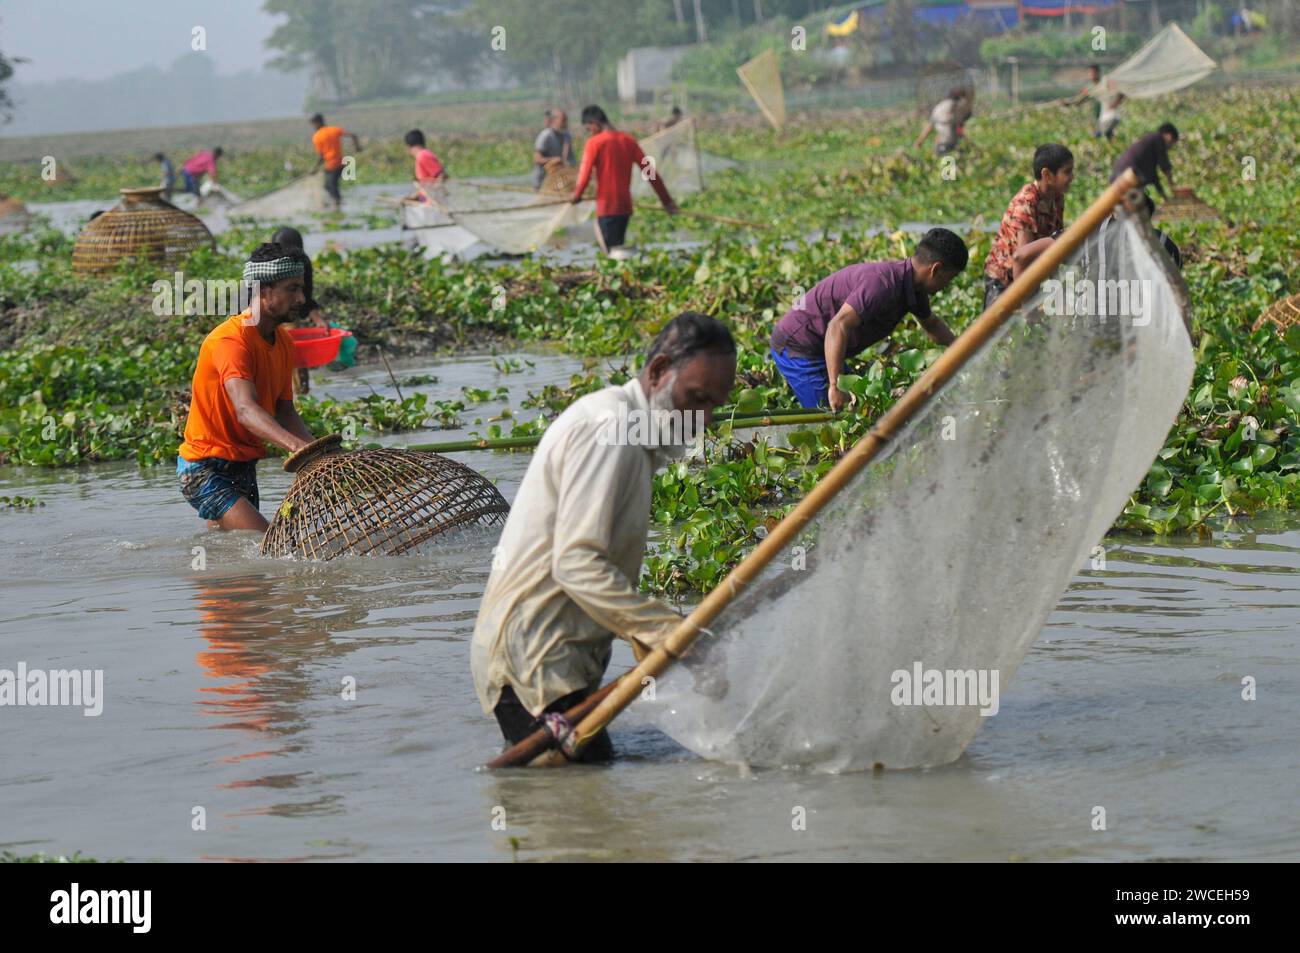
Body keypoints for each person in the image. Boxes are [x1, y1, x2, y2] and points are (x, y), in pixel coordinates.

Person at [472, 312, 736, 761]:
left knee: (579, 801)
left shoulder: (633, 434)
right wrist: (673, 633)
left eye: (714, 404)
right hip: (533, 663)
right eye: (696, 399)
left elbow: (602, 569)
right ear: (657, 372)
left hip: (558, 662)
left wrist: (663, 645)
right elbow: (577, 563)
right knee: (576, 796)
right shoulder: (609, 430)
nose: (704, 419)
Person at [177, 243, 316, 531]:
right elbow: (245, 409)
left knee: (231, 553)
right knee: (265, 542)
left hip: (243, 467)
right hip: (204, 468)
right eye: (292, 289)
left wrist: (316, 453)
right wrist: (297, 448)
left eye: (301, 288)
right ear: (264, 291)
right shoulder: (232, 340)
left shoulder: (284, 342)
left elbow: (284, 410)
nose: (301, 298)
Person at [770, 228, 968, 412]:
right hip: (799, 346)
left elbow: (932, 325)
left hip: (822, 346)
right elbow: (838, 326)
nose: (947, 286)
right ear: (935, 269)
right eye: (949, 279)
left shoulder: (914, 290)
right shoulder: (882, 284)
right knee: (831, 416)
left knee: (858, 407)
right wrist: (835, 386)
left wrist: (968, 352)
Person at [570, 104, 678, 251]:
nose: (590, 133)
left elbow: (584, 174)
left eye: (589, 129)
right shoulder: (628, 141)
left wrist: (577, 195)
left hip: (607, 207)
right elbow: (650, 173)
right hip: (624, 207)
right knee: (617, 248)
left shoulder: (594, 143)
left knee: (610, 253)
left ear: (594, 125)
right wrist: (667, 201)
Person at [983, 143, 1075, 309]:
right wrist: (1028, 309)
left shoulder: (1057, 198)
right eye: (1067, 172)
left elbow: (1053, 247)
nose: (1072, 177)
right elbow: (1021, 258)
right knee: (999, 331)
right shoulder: (1025, 203)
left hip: (1030, 276)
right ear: (1047, 174)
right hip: (1004, 279)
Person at [310, 113, 361, 211]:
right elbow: (353, 135)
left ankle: (337, 207)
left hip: (332, 165)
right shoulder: (334, 130)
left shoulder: (317, 136)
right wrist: (357, 147)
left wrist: (314, 169)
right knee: (330, 186)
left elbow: (321, 157)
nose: (313, 126)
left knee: (331, 187)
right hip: (340, 164)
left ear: (318, 122)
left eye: (313, 124)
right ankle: (338, 204)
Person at [1112, 123, 1178, 199]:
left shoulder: (1150, 142)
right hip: (1126, 176)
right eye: (1172, 144)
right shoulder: (1158, 139)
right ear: (1169, 137)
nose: (1170, 147)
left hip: (1119, 173)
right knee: (1135, 205)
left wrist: (1164, 197)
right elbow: (1165, 166)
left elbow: (1154, 177)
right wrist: (1173, 187)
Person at [1061, 65, 1125, 141]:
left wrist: (1114, 104)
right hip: (1102, 116)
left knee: (1098, 135)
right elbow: (1080, 100)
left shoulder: (1106, 82)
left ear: (1098, 73)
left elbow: (1121, 93)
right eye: (1091, 73)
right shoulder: (1090, 88)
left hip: (1111, 116)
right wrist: (1067, 103)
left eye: (1094, 73)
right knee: (1107, 135)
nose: (1092, 75)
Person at [914, 88, 968, 155]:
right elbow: (958, 127)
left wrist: (920, 141)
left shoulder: (940, 106)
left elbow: (930, 126)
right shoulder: (955, 105)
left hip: (941, 145)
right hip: (948, 144)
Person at [532, 109, 573, 190]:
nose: (564, 124)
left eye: (565, 121)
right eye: (562, 121)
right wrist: (554, 160)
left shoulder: (566, 135)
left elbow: (567, 158)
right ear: (554, 121)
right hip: (542, 180)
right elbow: (536, 159)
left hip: (557, 180)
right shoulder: (545, 136)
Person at [403, 129, 447, 203]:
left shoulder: (423, 155)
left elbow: (441, 175)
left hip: (432, 204)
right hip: (426, 202)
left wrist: (435, 193)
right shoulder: (422, 156)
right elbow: (426, 186)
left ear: (409, 147)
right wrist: (413, 198)